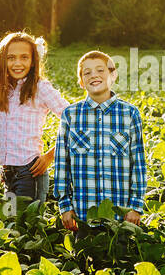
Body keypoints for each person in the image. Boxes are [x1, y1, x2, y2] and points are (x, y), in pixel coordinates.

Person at [52, 50, 147, 231]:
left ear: (113, 75)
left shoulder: (130, 113)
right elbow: (61, 163)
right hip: (82, 215)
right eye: (87, 73)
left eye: (100, 70)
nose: (94, 75)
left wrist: (136, 206)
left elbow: (139, 164)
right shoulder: (71, 115)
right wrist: (65, 206)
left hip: (121, 215)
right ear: (81, 81)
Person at [0, 31, 69, 212]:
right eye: (11, 57)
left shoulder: (40, 87)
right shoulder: (4, 87)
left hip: (29, 172)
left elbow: (75, 121)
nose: (17, 63)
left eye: (24, 57)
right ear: (2, 60)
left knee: (27, 228)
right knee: (12, 228)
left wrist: (50, 156)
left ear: (33, 61)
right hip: (7, 173)